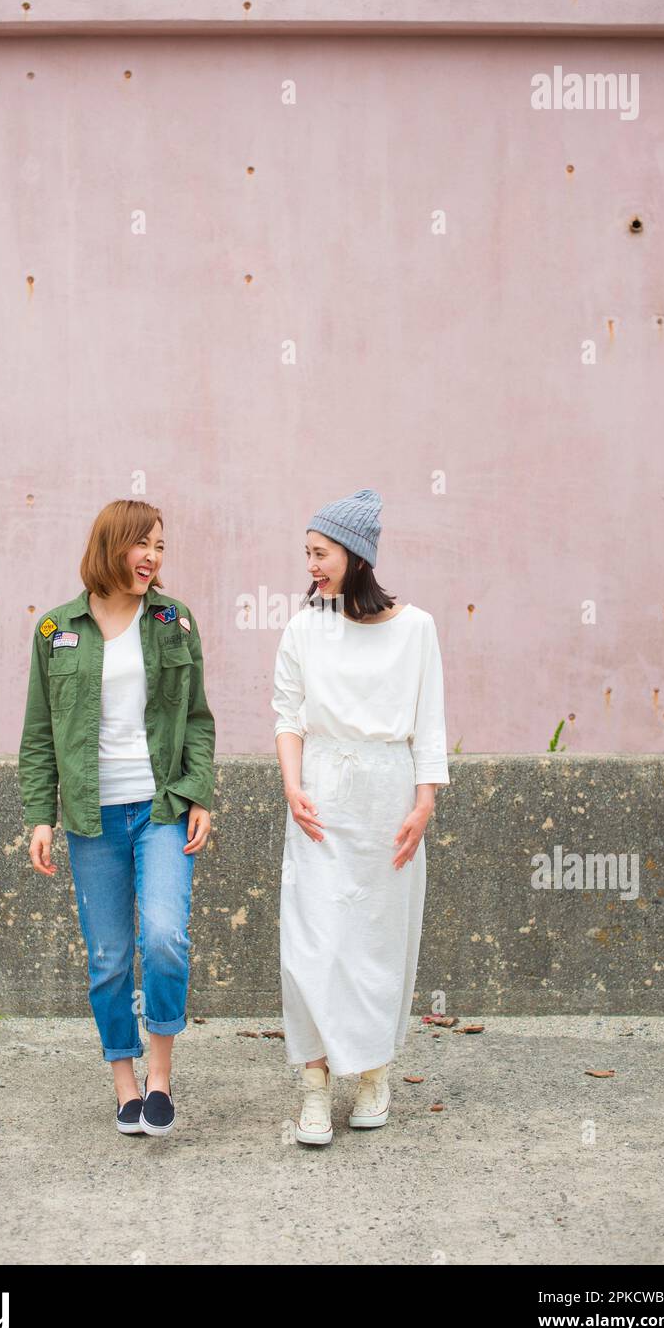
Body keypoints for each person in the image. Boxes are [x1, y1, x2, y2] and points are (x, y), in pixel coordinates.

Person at [17, 499, 215, 1136]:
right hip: (91, 817)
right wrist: (41, 816)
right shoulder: (56, 629)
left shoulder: (174, 621)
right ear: (111, 546)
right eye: (142, 544)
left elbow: (198, 719)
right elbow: (39, 733)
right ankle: (124, 1085)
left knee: (165, 937)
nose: (152, 557)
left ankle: (160, 1076)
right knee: (108, 957)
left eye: (160, 546)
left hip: (161, 808)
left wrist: (200, 795)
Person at [271, 488, 450, 1145]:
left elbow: (429, 721)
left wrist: (424, 801)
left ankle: (373, 1073)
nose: (311, 566)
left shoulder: (417, 628)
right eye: (307, 554)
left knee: (377, 940)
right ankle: (315, 1085)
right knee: (312, 942)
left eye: (320, 553)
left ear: (355, 554)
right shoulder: (303, 627)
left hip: (388, 797)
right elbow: (288, 715)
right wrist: (292, 787)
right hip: (319, 795)